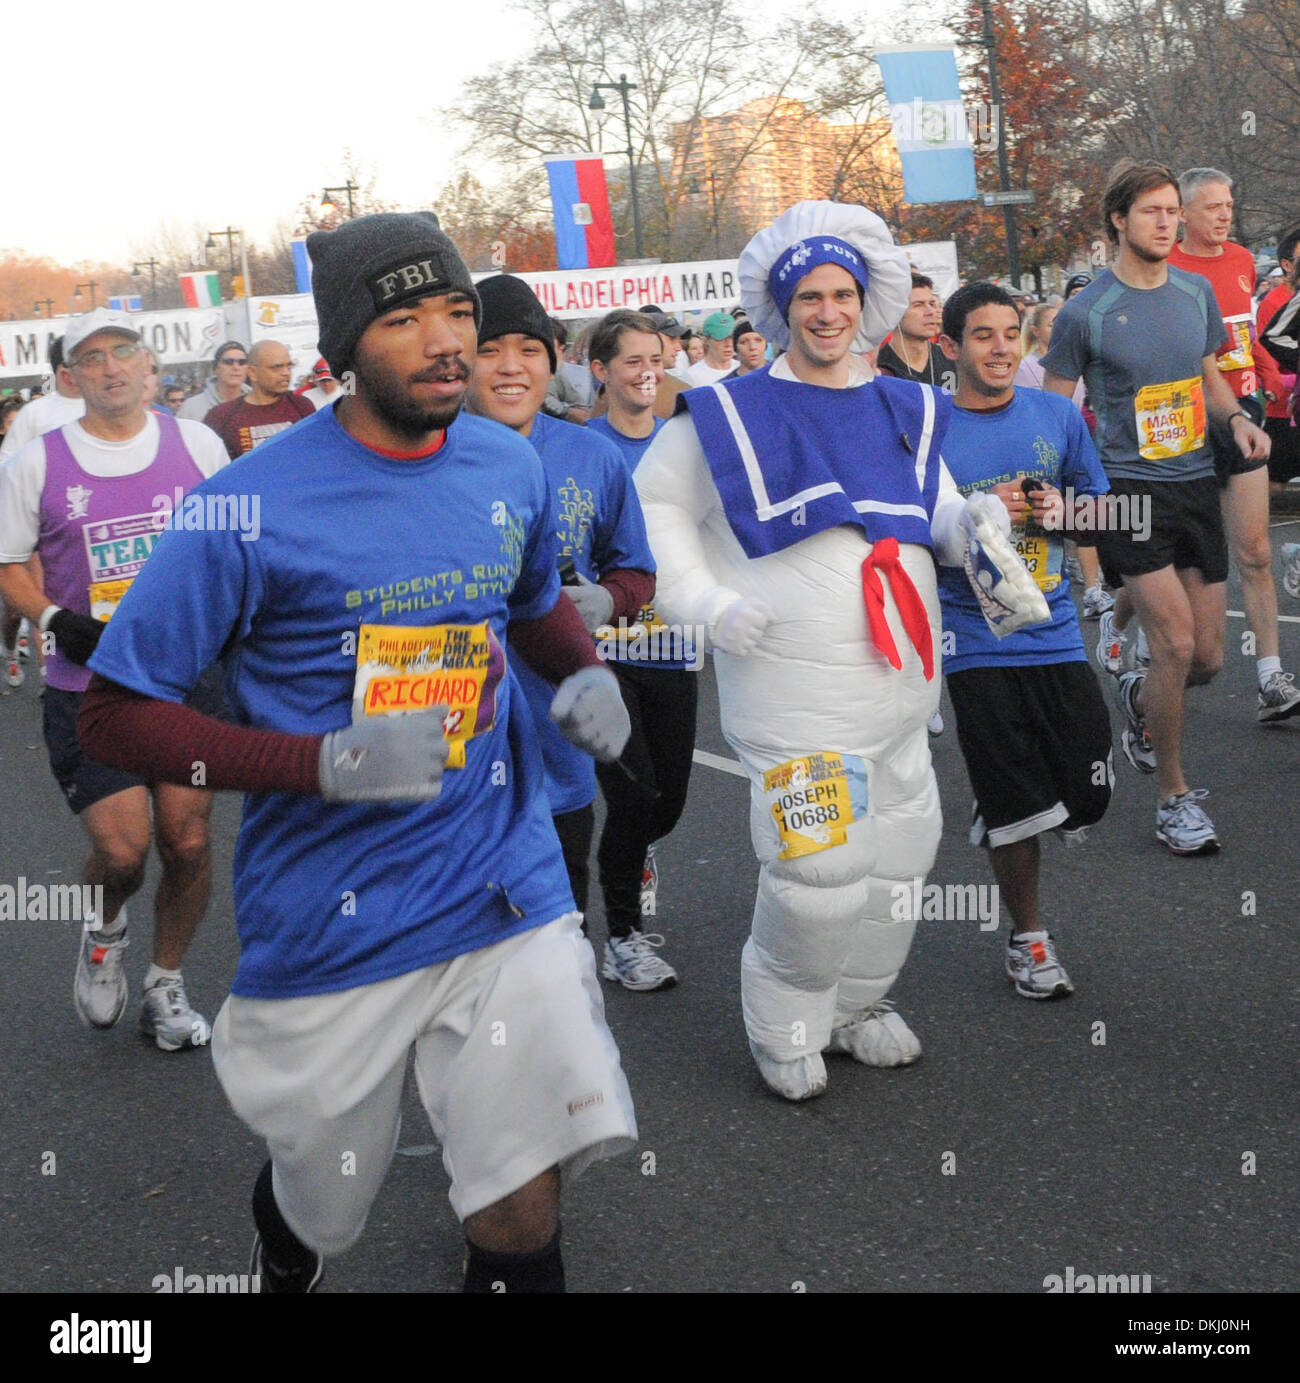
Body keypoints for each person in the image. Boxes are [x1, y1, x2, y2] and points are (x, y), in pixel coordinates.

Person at [76, 213, 637, 1294]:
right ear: (341, 351)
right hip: (332, 906)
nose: (445, 341)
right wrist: (321, 764)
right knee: (325, 1191)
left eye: (459, 312)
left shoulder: (503, 463)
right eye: (404, 317)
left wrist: (581, 671)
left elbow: (528, 607)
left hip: (500, 880)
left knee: (521, 1191)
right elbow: (115, 716)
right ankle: (287, 1251)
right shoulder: (244, 505)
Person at [633, 201, 1031, 1100]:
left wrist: (973, 523)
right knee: (819, 869)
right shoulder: (723, 413)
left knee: (900, 857)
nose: (827, 311)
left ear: (865, 301)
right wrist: (700, 600)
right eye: (808, 295)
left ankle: (856, 1003)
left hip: (900, 682)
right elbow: (655, 514)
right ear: (781, 309)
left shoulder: (902, 404)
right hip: (790, 684)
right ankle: (784, 1021)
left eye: (842, 293)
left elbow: (929, 505)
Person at [0, 307, 229, 1048]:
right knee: (125, 853)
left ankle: (167, 983)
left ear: (145, 361)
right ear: (70, 378)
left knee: (187, 843)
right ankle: (104, 931)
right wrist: (58, 619)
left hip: (183, 680)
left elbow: (233, 544)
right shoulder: (34, 461)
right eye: (91, 358)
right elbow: (9, 567)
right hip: (88, 687)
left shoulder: (196, 443)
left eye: (122, 351)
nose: (110, 367)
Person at [1042, 160, 1272, 854]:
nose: (1167, 223)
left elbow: (1208, 380)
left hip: (1195, 482)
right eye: (1153, 212)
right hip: (1124, 493)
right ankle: (1174, 798)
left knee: (1205, 659)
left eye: (1173, 211)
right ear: (1118, 219)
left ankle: (1139, 700)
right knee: (1172, 642)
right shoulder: (1086, 312)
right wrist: (1060, 494)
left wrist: (1235, 420)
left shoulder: (1195, 294)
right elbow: (1053, 409)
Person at [468, 284, 675, 991]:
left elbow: (638, 568)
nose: (509, 365)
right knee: (481, 946)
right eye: (488, 348)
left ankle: (614, 940)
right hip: (460, 739)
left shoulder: (590, 455)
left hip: (566, 726)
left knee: (562, 925)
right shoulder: (425, 453)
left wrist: (606, 600)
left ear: (553, 358)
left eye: (527, 347)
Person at [936, 282, 1113, 998]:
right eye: (983, 335)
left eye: (1012, 333)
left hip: (1056, 629)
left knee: (1091, 790)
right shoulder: (929, 429)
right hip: (973, 637)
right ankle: (1028, 941)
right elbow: (908, 528)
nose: (1002, 347)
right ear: (951, 348)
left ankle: (1005, 798)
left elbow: (1104, 513)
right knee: (1015, 808)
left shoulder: (1055, 415)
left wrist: (1062, 507)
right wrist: (977, 516)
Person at [587, 310, 703, 989]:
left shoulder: (683, 443)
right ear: (600, 371)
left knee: (668, 801)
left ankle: (633, 854)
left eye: (655, 359)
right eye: (631, 360)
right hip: (602, 644)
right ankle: (624, 936)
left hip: (672, 641)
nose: (646, 372)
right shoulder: (579, 448)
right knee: (631, 796)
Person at [1165, 168, 1300, 724]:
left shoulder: (1244, 261)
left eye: (1229, 203)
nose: (1225, 214)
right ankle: (1121, 624)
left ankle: (1270, 678)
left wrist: (1272, 378)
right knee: (1177, 553)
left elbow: (1247, 341)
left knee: (1256, 551)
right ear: (1185, 215)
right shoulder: (1168, 267)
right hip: (1186, 419)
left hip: (1242, 414)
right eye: (1213, 206)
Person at [1015, 304, 1111, 620]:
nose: (1061, 326)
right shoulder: (1024, 366)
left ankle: (1094, 590)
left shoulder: (1075, 364)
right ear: (1037, 330)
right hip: (1043, 448)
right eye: (1054, 322)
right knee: (1050, 514)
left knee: (1085, 509)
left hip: (1080, 440)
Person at [203, 340, 315, 459]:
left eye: (289, 366)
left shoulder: (302, 406)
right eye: (277, 367)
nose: (286, 373)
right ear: (252, 373)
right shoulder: (221, 416)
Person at [1255, 226, 1299, 495]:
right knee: (1276, 479)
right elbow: (1264, 347)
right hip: (1283, 407)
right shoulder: (1275, 301)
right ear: (1287, 265)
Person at [0, 337, 85, 463]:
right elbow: (6, 468)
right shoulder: (32, 414)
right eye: (90, 359)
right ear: (64, 371)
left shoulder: (111, 406)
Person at [877, 272, 957, 392]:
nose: (931, 311)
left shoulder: (952, 359)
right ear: (895, 312)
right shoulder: (879, 368)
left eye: (931, 304)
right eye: (918, 305)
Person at [175, 341, 249, 421]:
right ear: (216, 368)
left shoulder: (258, 402)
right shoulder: (191, 407)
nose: (236, 367)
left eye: (242, 362)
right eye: (229, 362)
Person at [681, 312, 737, 386]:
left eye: (731, 337)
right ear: (705, 340)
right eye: (721, 337)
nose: (728, 344)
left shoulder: (743, 369)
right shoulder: (691, 376)